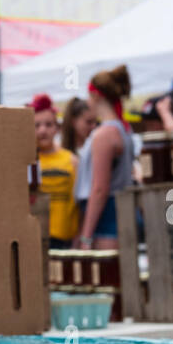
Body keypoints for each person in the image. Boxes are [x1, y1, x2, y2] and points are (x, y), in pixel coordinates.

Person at [72, 66, 135, 251]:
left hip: (106, 218)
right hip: (116, 213)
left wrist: (86, 236)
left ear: (96, 96)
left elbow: (99, 189)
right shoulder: (124, 129)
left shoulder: (105, 134)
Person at [32, 94, 79, 249]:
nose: (42, 130)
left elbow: (79, 202)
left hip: (65, 239)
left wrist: (80, 236)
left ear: (56, 128)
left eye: (48, 124)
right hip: (35, 237)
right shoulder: (27, 161)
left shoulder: (71, 160)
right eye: (36, 125)